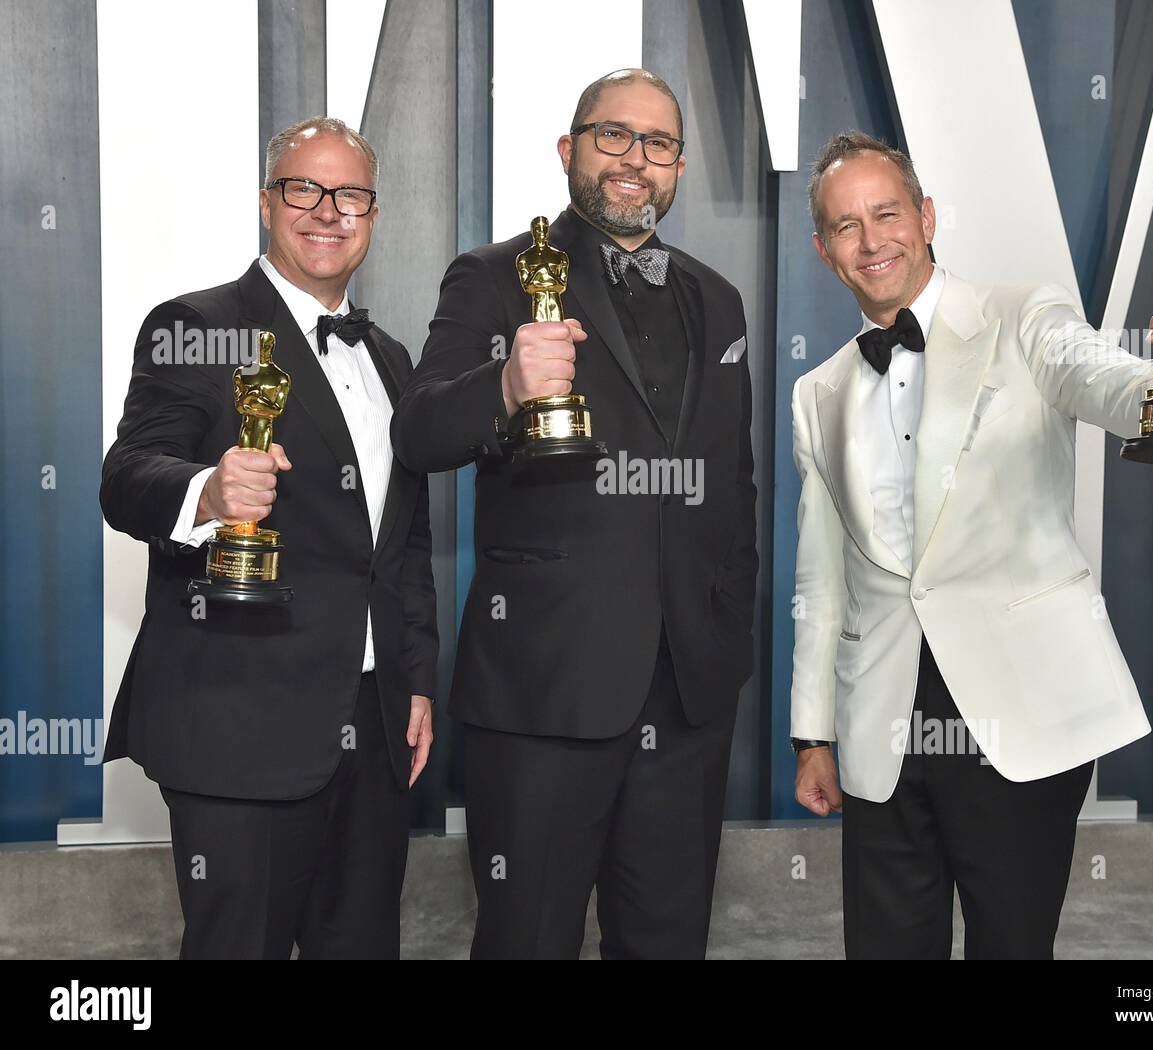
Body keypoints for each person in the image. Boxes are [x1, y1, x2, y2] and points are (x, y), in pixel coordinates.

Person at [789, 131, 1153, 959]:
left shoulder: (1024, 315)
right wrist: (813, 732)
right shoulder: (820, 392)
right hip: (881, 724)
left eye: (887, 213)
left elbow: (1101, 378)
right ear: (822, 249)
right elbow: (823, 576)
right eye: (846, 226)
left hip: (1015, 712)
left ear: (925, 217)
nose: (871, 240)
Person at [392, 68, 758, 959]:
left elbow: (732, 483)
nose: (636, 160)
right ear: (569, 150)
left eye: (659, 143)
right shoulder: (493, 277)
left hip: (686, 692)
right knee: (527, 938)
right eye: (613, 136)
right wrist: (508, 384)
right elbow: (422, 431)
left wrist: (725, 624)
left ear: (678, 166)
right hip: (545, 686)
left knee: (668, 941)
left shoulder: (720, 299)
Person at [101, 116, 438, 959]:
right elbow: (126, 476)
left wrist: (417, 679)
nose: (328, 210)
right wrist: (207, 490)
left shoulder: (392, 359)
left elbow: (401, 545)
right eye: (304, 188)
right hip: (238, 719)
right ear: (265, 202)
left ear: (373, 212)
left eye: (350, 193)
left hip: (373, 719)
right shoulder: (195, 324)